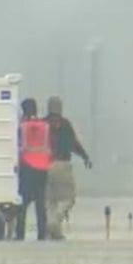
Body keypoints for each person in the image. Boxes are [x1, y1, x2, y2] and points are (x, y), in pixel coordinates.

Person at [44, 96, 91, 240]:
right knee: (68, 199)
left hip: (44, 166)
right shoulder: (65, 125)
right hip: (62, 165)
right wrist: (85, 157)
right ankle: (57, 218)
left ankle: (54, 229)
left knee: (50, 200)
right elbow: (74, 144)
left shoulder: (42, 124)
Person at [16, 98, 51, 241]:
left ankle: (19, 233)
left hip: (27, 167)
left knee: (22, 203)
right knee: (40, 203)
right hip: (42, 168)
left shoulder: (22, 126)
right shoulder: (45, 126)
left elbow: (18, 144)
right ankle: (42, 233)